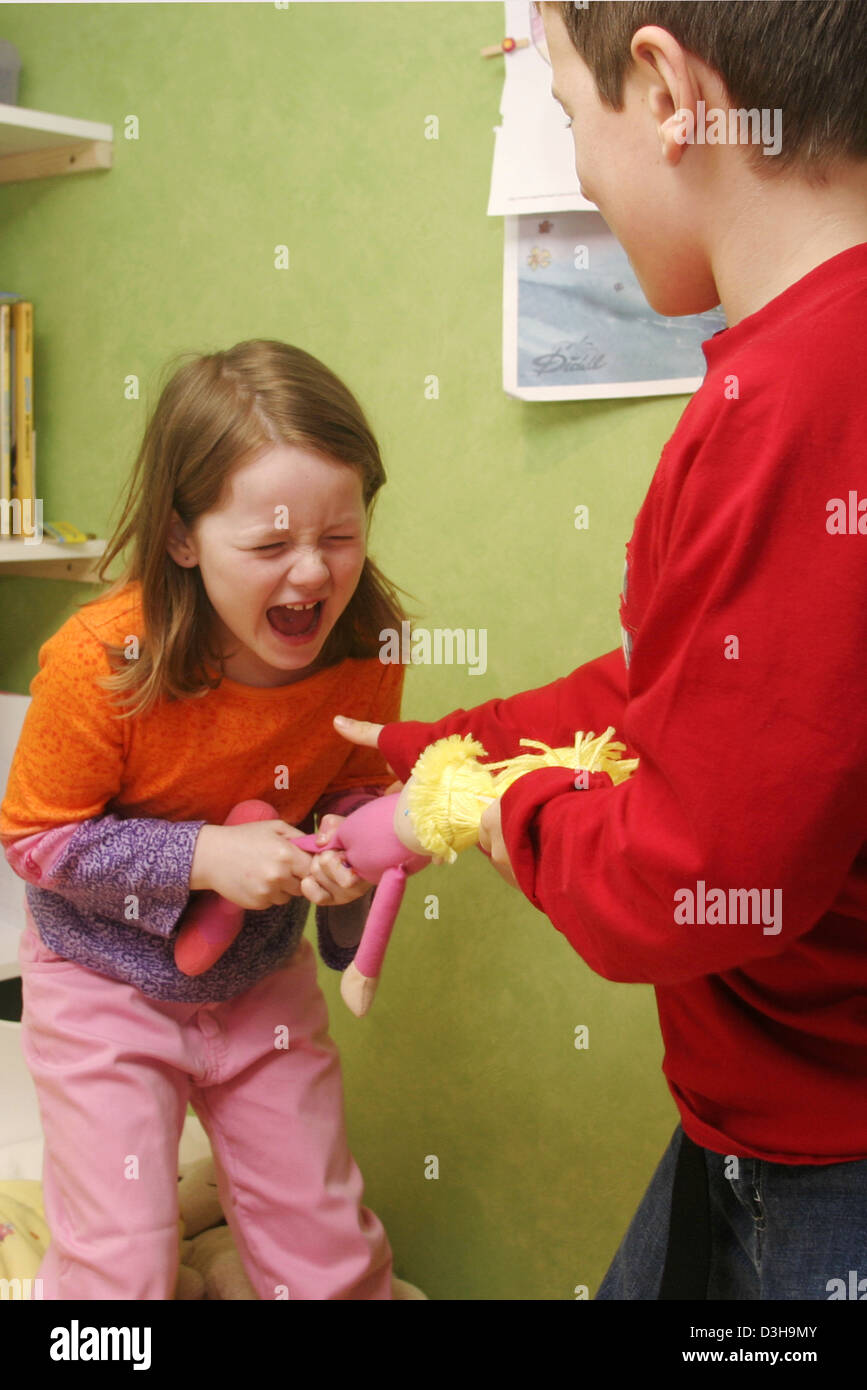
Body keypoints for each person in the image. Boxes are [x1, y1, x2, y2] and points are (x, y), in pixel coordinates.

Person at [334, 0, 867, 1300]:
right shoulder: (797, 368)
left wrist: (491, 805)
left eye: (570, 119)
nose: (577, 165)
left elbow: (686, 876)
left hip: (826, 1157)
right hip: (756, 1118)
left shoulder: (799, 396)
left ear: (668, 95)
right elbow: (664, 697)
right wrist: (422, 748)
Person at [0, 338, 424, 1300]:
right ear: (184, 537)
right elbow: (36, 839)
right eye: (270, 546)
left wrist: (364, 841)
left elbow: (351, 785)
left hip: (257, 974)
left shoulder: (368, 643)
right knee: (121, 1258)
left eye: (340, 535)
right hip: (99, 980)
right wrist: (204, 856)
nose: (312, 574)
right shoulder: (102, 659)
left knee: (327, 1245)